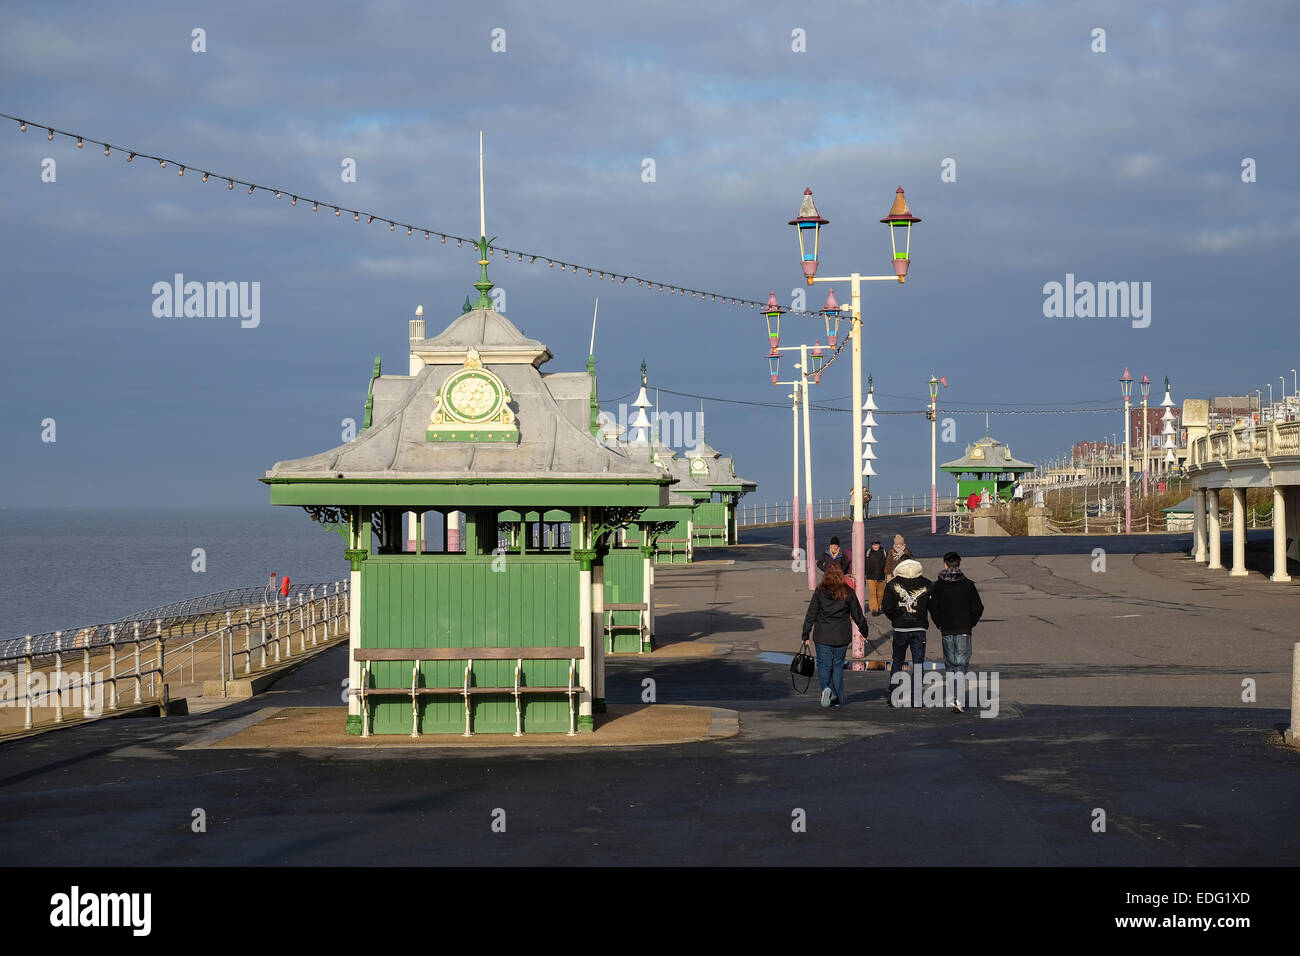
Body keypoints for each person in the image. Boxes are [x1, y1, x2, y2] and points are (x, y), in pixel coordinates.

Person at [801, 563, 870, 708]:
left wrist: (805, 634)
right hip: (841, 635)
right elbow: (858, 614)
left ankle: (827, 689)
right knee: (838, 666)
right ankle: (839, 698)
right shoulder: (848, 592)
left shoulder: (820, 591)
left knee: (824, 666)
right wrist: (864, 631)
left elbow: (811, 613)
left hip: (822, 635)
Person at [928, 551, 984, 713]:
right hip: (963, 629)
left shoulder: (938, 586)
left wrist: (939, 623)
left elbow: (933, 608)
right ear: (959, 564)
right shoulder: (967, 584)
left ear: (945, 564)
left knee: (951, 664)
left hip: (946, 629)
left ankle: (955, 697)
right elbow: (978, 607)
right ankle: (957, 699)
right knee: (961, 664)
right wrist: (970, 622)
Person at [880, 558, 933, 706]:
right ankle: (917, 698)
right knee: (918, 663)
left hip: (900, 628)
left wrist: (895, 618)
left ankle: (894, 695)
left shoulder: (892, 585)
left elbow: (887, 606)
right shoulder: (927, 583)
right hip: (919, 628)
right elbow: (932, 605)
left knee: (897, 661)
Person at [864, 539, 887, 614]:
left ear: (879, 545)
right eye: (874, 545)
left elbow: (887, 563)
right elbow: (864, 563)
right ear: (872, 545)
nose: (876, 546)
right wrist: (865, 573)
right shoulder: (868, 552)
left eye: (877, 544)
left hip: (881, 576)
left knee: (880, 594)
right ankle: (874, 609)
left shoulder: (884, 552)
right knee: (873, 593)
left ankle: (879, 606)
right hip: (870, 576)